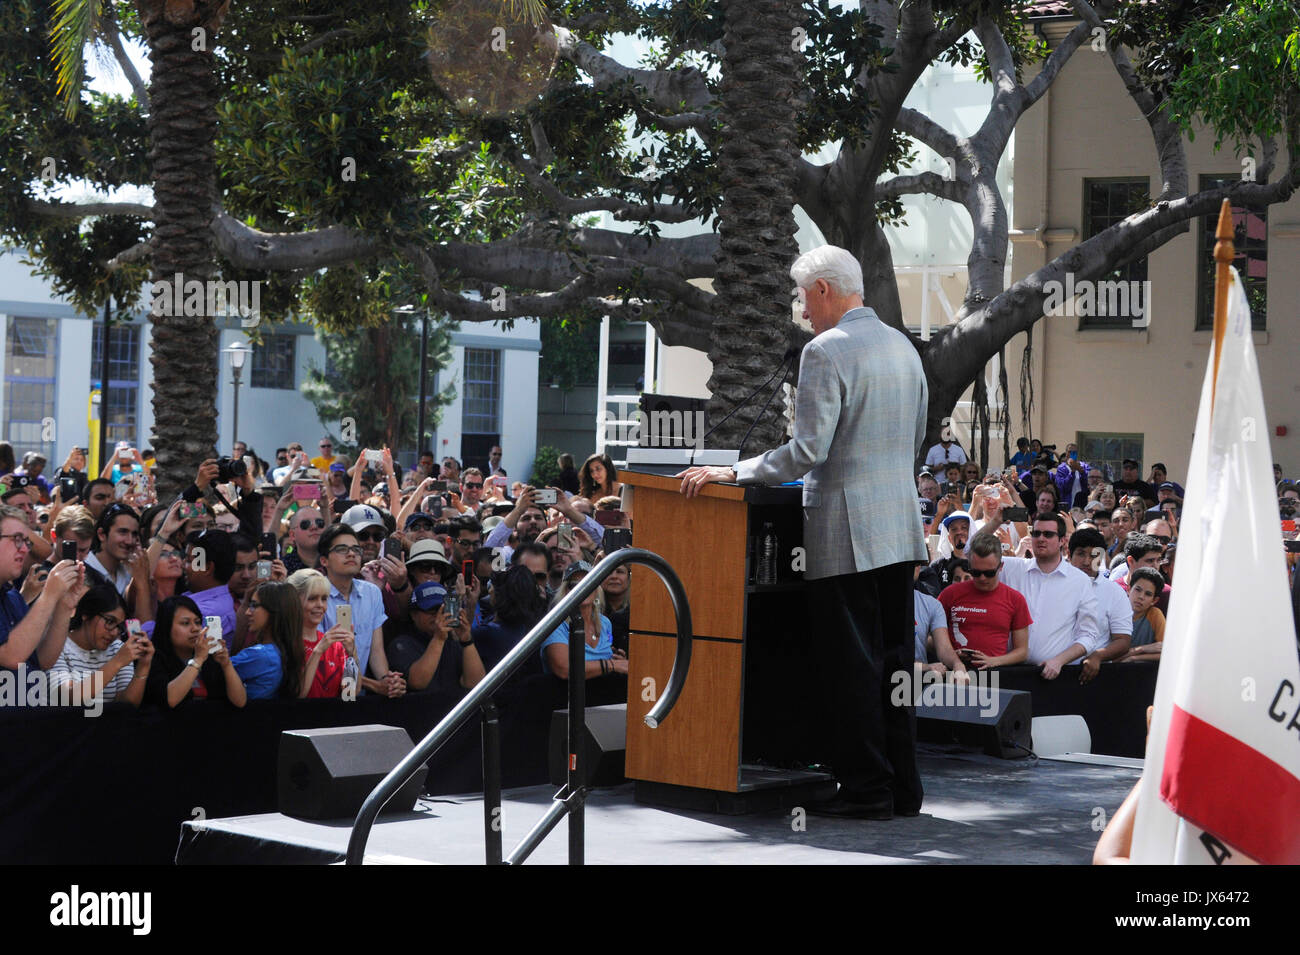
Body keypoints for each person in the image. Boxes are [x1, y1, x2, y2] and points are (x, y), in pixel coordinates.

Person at [677, 244, 928, 820]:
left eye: (801, 297)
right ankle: (903, 789)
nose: (801, 310)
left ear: (822, 290)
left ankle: (867, 790)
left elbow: (808, 450)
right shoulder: (904, 347)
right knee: (895, 668)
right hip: (899, 527)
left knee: (851, 668)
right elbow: (914, 441)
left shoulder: (827, 350)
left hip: (846, 531)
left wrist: (732, 470)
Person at [997, 512, 1100, 679]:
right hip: (1011, 672)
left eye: (1048, 534)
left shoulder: (1080, 580)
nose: (1041, 538)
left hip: (1054, 676)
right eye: (1036, 533)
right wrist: (996, 520)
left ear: (1062, 541)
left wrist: (1059, 660)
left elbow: (1089, 635)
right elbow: (971, 551)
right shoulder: (1011, 568)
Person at [317, 524, 405, 698]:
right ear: (324, 560)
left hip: (358, 696)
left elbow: (376, 650)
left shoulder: (372, 592)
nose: (351, 554)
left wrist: (389, 682)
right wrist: (375, 685)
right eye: (342, 549)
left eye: (356, 549)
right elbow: (323, 661)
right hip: (322, 697)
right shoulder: (315, 595)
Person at [0, 504, 83, 673]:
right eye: (16, 539)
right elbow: (11, 656)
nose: (24, 549)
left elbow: (43, 660)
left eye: (25, 541)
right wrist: (49, 595)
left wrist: (65, 605)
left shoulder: (12, 598)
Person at [937, 533, 1031, 671]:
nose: (982, 578)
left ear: (1001, 566)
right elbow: (931, 638)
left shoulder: (1015, 599)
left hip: (994, 675)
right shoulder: (950, 594)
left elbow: (1022, 652)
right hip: (955, 673)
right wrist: (951, 655)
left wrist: (993, 661)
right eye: (975, 572)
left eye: (989, 573)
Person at [47, 584, 152, 707]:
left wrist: (143, 666)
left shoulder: (118, 649)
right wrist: (117, 662)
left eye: (119, 626)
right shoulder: (56, 646)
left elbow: (128, 704)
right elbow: (69, 697)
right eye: (110, 621)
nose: (114, 632)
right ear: (86, 614)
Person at [143, 595, 247, 707]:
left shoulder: (210, 657)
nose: (195, 629)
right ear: (166, 627)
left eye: (197, 622)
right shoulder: (152, 659)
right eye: (185, 623)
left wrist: (226, 665)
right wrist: (198, 660)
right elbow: (170, 700)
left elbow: (240, 702)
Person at [1066, 529, 1134, 684]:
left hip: (1093, 677)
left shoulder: (1114, 593)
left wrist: (1098, 655)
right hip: (1050, 670)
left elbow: (1123, 640)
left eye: (1094, 555)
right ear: (1069, 555)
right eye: (1081, 554)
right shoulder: (1053, 586)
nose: (1086, 561)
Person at [540, 562, 626, 680]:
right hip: (565, 695)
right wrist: (612, 665)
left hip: (604, 693)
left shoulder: (605, 623)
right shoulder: (554, 624)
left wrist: (616, 660)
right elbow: (564, 669)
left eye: (588, 583)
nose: (581, 588)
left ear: (596, 590)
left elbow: (609, 654)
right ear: (565, 591)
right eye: (574, 584)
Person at [397, 581, 487, 693]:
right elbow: (418, 683)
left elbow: (476, 684)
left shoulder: (453, 643)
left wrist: (466, 640)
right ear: (414, 615)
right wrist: (438, 639)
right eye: (432, 611)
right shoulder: (402, 644)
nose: (439, 615)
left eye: (443, 610)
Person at [288, 568, 356, 698]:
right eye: (312, 598)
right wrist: (318, 651)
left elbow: (350, 693)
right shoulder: (285, 642)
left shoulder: (335, 645)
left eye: (324, 599)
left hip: (333, 717)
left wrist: (352, 654)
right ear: (294, 600)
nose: (320, 605)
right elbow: (298, 695)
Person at [232, 580, 305, 699]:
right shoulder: (287, 650)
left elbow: (213, 673)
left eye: (254, 605)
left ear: (274, 611)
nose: (247, 612)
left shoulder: (261, 655)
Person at [84, 503, 140, 596]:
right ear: (101, 534)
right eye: (123, 532)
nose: (129, 541)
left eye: (134, 534)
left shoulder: (127, 574)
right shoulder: (82, 572)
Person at [1119, 568, 1166, 661]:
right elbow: (1111, 658)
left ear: (1154, 600)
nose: (1141, 597)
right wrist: (1142, 649)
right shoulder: (1115, 612)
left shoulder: (1155, 615)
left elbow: (1166, 653)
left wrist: (1133, 657)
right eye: (1137, 590)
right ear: (1128, 589)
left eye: (1148, 594)